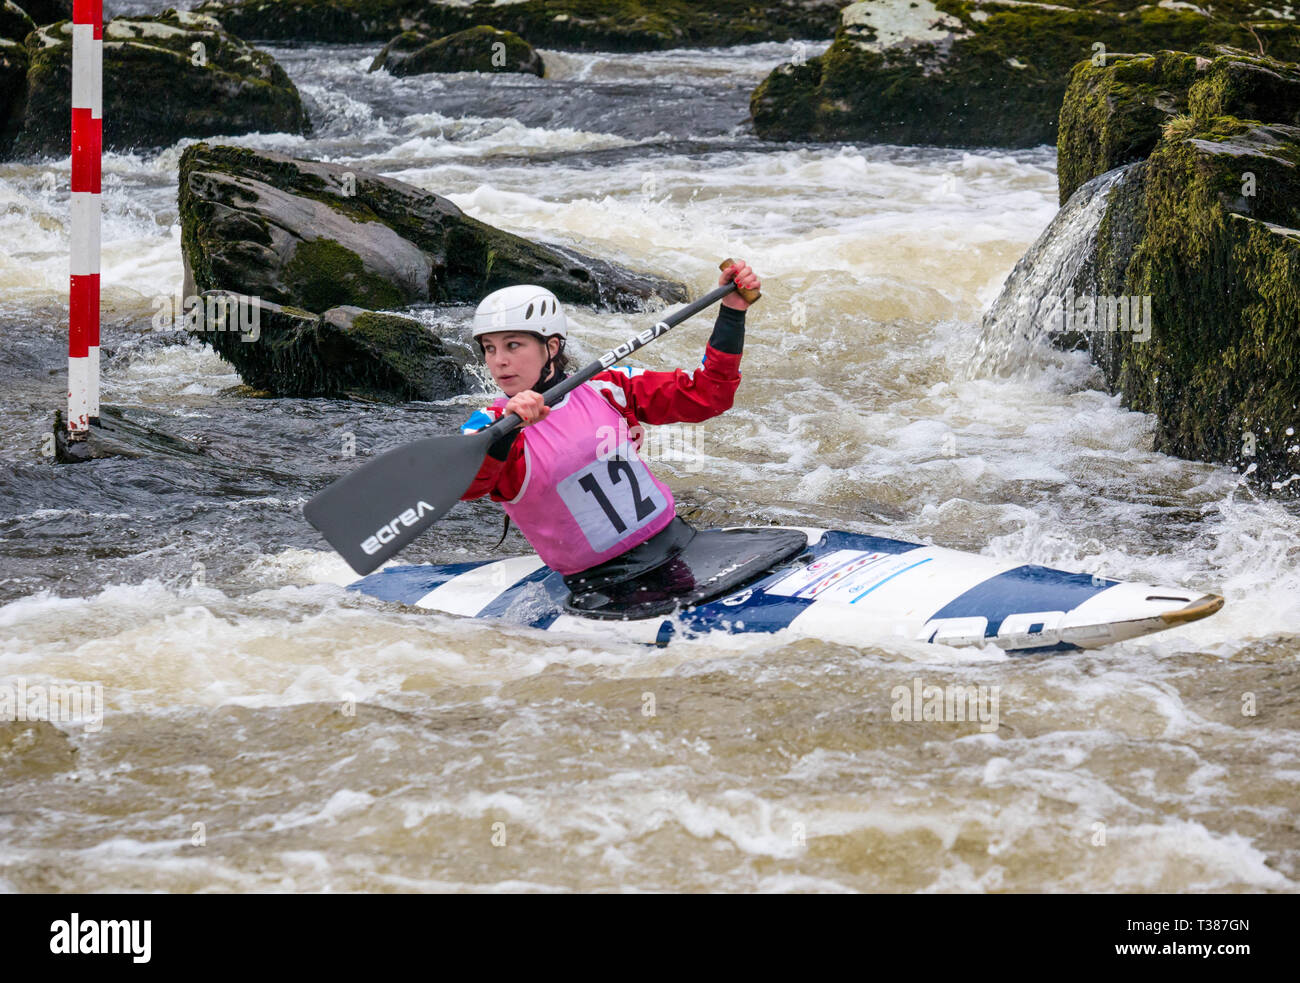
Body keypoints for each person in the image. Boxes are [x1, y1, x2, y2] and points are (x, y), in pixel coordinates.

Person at [459, 260, 761, 608]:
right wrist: (507, 433)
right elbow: (470, 486)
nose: (498, 361)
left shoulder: (606, 387)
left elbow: (707, 395)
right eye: (489, 348)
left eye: (513, 345)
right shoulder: (491, 424)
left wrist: (733, 312)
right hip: (604, 587)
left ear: (552, 348)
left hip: (680, 547)